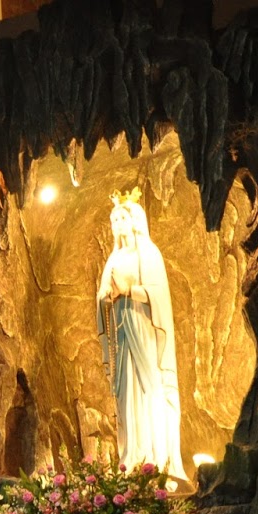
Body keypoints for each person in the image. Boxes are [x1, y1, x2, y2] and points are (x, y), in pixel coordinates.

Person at [96, 190, 188, 483]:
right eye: (114, 219)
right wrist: (107, 298)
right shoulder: (113, 258)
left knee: (151, 388)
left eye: (122, 217)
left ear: (135, 220)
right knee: (125, 394)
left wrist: (129, 291)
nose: (118, 223)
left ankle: (155, 457)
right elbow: (102, 296)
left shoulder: (148, 253)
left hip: (144, 330)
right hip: (121, 335)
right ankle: (131, 456)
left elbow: (159, 293)